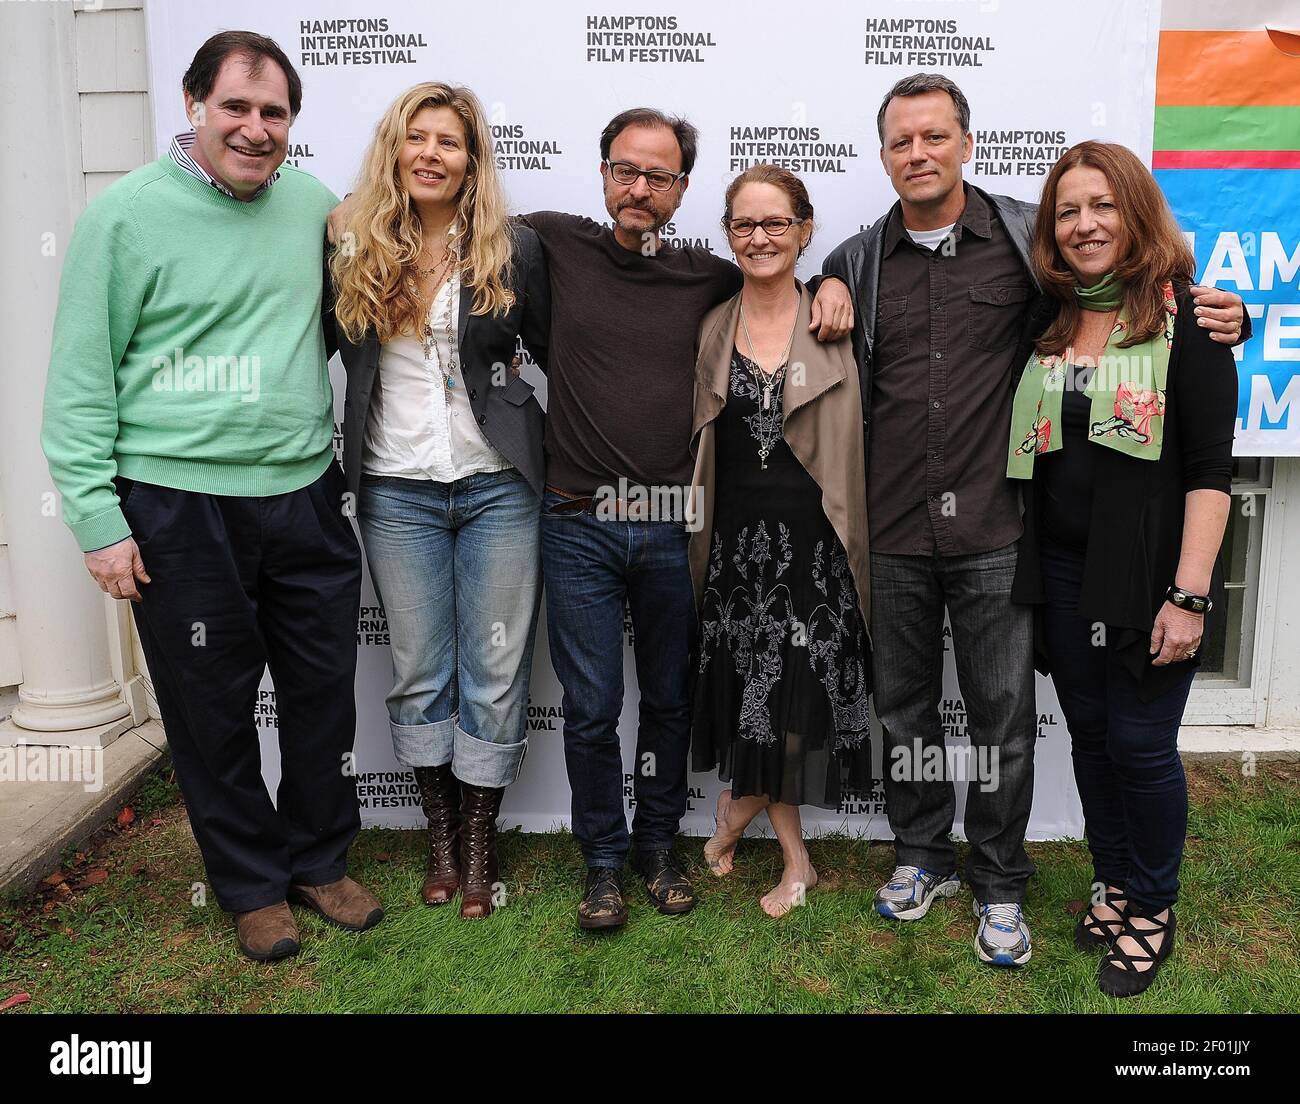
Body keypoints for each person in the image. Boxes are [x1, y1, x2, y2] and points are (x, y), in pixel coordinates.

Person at [332, 107, 854, 930]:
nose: (639, 189)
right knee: (589, 707)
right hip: (575, 520)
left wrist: (833, 281)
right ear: (604, 170)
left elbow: (777, 269)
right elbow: (447, 220)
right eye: (625, 170)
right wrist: (350, 213)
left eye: (659, 176)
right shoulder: (550, 247)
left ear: (684, 189)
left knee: (671, 702)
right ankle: (602, 864)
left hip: (676, 523)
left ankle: (658, 848)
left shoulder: (707, 275)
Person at [821, 73, 1246, 967]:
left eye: (935, 136)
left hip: (996, 532)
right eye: (901, 141)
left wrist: (1221, 308)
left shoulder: (1023, 241)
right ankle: (920, 853)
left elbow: (1134, 288)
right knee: (903, 711)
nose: (918, 153)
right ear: (884, 154)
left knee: (1005, 721)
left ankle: (1001, 878)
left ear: (967, 144)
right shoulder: (863, 259)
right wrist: (824, 276)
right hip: (895, 529)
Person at [41, 31, 382, 963]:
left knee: (322, 698)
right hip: (179, 506)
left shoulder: (312, 205)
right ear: (193, 105)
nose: (255, 128)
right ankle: (250, 885)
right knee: (211, 707)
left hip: (306, 495)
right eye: (236, 107)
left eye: (274, 113)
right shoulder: (124, 218)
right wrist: (98, 521)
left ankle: (319, 860)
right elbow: (79, 382)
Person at [1006, 141, 1236, 996]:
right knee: (1094, 739)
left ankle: (1153, 907)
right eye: (1067, 210)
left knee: (1141, 746)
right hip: (1063, 572)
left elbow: (1213, 472)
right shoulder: (1053, 318)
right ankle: (1111, 883)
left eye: (1101, 204)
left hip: (1147, 577)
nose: (1084, 223)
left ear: (1134, 210)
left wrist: (1189, 594)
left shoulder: (1192, 319)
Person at [329, 82, 550, 919]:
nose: (431, 153)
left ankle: (482, 844)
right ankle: (441, 842)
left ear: (472, 160)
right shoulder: (353, 244)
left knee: (495, 671)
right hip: (394, 490)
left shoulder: (514, 249)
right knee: (420, 669)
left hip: (499, 489)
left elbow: (568, 350)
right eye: (416, 138)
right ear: (396, 149)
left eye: (449, 141)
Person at [689, 165, 871, 917]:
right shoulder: (709, 324)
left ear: (803, 230)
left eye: (775, 224)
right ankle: (797, 862)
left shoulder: (837, 319)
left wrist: (833, 280)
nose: (759, 238)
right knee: (754, 704)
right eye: (744, 225)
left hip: (818, 548)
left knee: (795, 704)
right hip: (735, 555)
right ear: (727, 234)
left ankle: (734, 816)